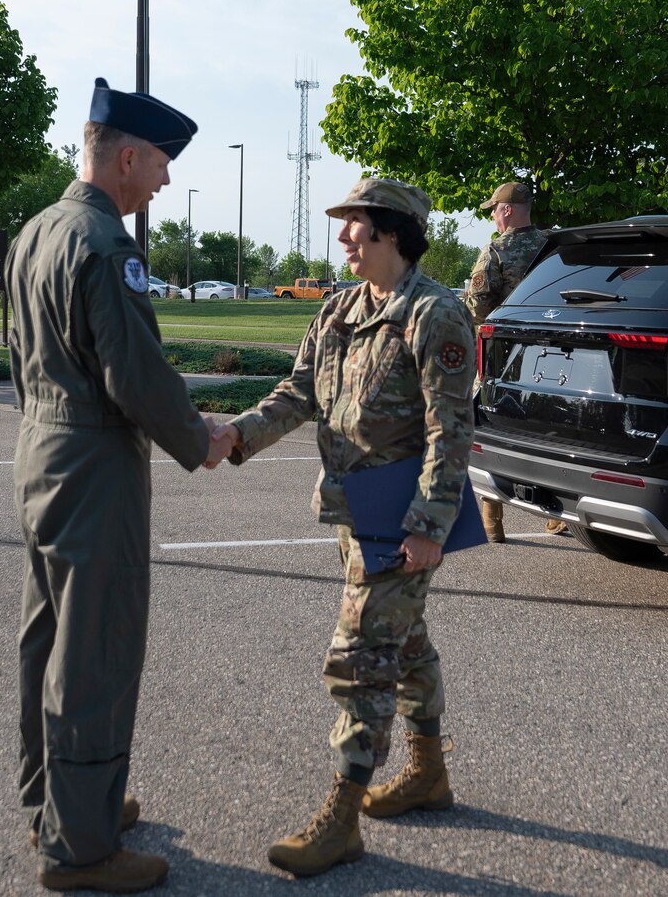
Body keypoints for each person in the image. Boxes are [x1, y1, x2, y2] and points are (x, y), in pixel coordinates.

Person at [6, 77, 237, 893]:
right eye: (163, 164)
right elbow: (135, 376)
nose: (166, 182)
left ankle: (56, 802)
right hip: (96, 461)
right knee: (94, 648)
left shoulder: (37, 230)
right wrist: (197, 438)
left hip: (39, 447)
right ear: (128, 156)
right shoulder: (107, 246)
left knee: (48, 636)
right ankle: (82, 849)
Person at [217, 177, 476, 878]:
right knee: (405, 639)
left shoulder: (436, 314)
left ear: (390, 231)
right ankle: (427, 770)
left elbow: (450, 432)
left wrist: (427, 528)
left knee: (362, 653)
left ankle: (343, 812)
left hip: (402, 519)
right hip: (353, 512)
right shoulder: (337, 309)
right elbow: (298, 391)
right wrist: (236, 434)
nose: (342, 239)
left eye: (354, 226)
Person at [458, 180, 555, 538]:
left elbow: (479, 308)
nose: (494, 217)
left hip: (503, 356)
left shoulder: (496, 251)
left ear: (507, 210)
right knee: (548, 429)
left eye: (494, 210)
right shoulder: (554, 247)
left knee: (488, 427)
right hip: (553, 356)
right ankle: (559, 513)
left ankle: (492, 520)